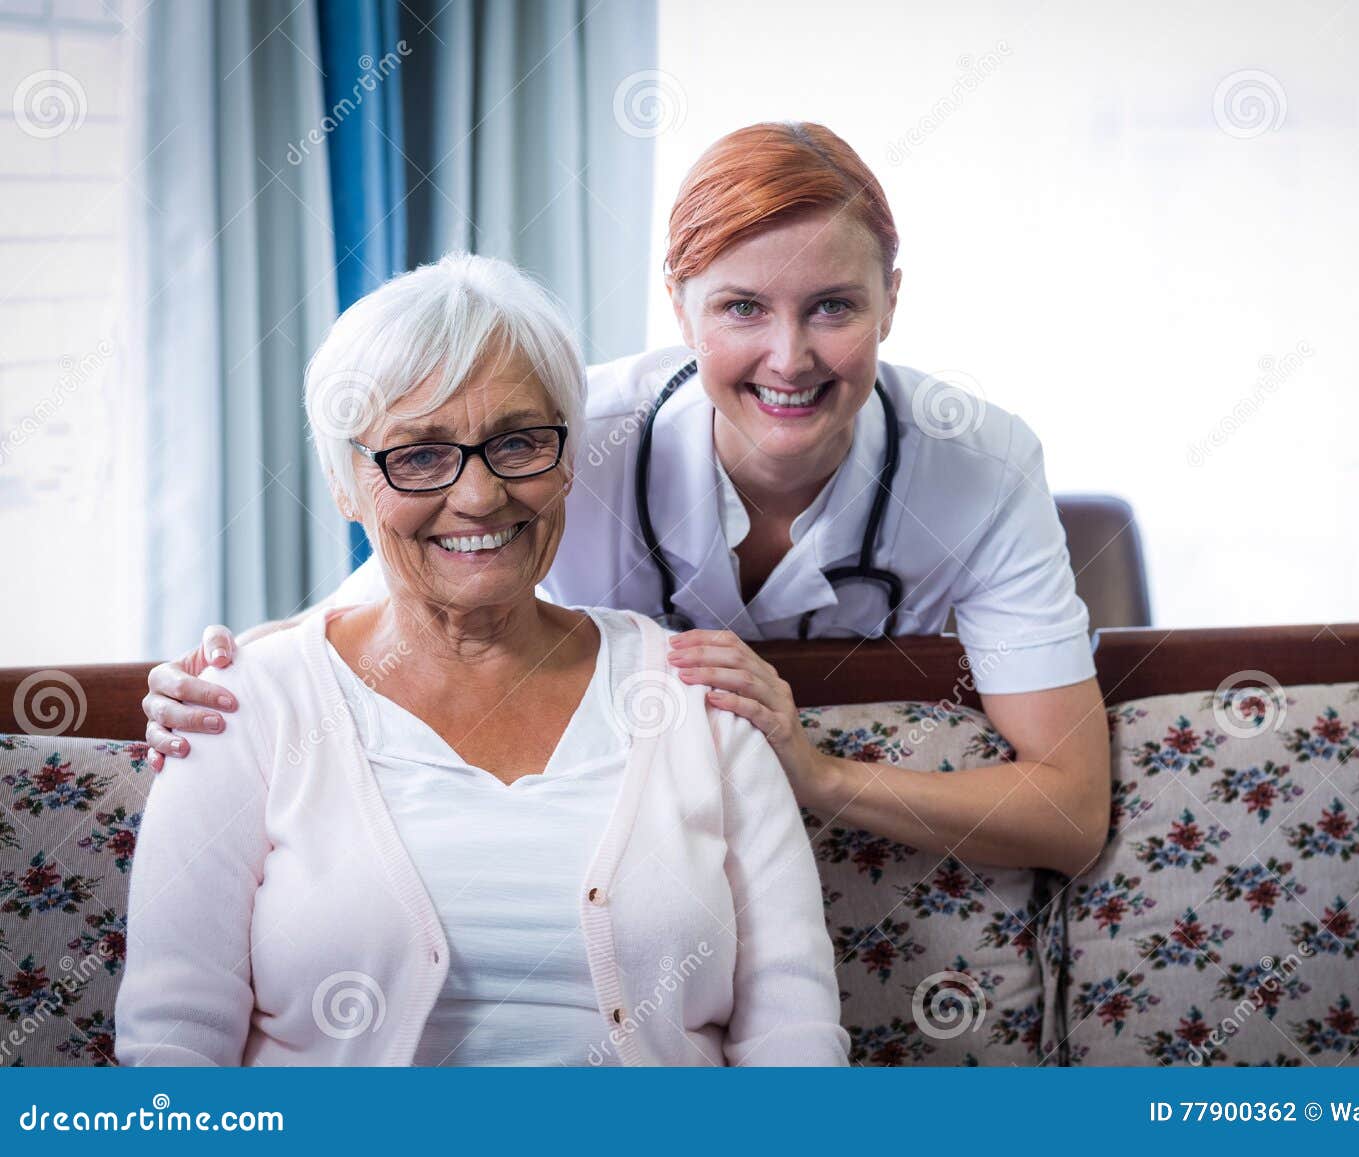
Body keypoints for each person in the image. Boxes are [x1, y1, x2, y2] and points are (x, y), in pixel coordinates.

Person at [141, 121, 1111, 877]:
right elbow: (376, 609)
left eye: (833, 306)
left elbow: (1069, 813)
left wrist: (820, 773)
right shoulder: (560, 440)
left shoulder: (979, 464)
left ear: (889, 300)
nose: (788, 357)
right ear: (677, 301)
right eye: (741, 307)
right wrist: (224, 681)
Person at [115, 253, 848, 1066]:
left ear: (568, 458)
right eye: (419, 454)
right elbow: (172, 1047)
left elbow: (795, 1037)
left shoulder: (697, 697)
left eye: (519, 442)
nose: (479, 495)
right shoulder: (239, 707)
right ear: (345, 482)